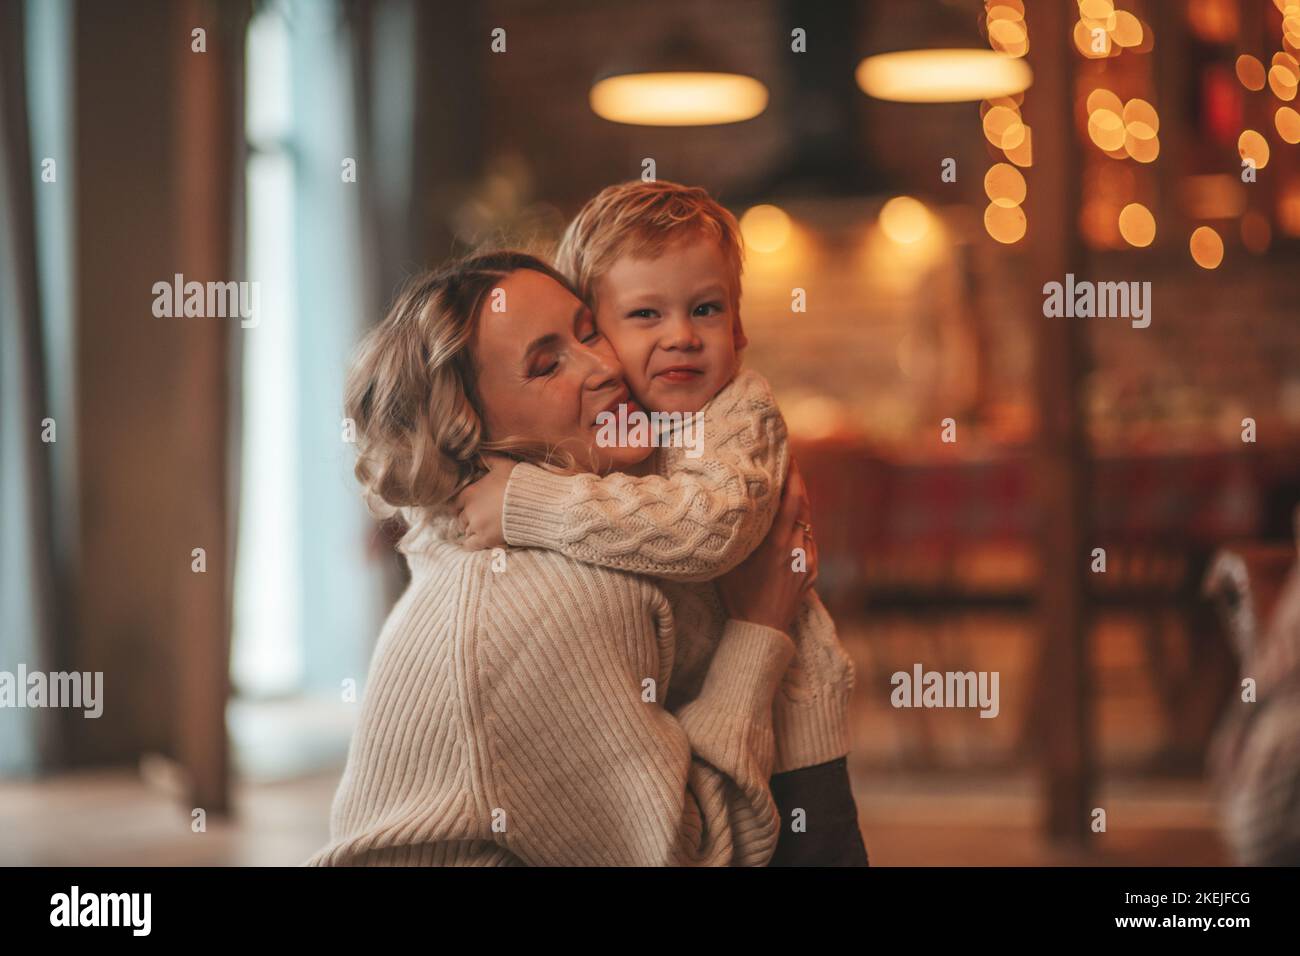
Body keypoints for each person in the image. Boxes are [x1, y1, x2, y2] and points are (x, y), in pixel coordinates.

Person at [306, 251, 816, 866]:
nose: (606, 366)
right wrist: (758, 630)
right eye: (547, 366)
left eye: (588, 330)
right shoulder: (557, 594)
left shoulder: (498, 544)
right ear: (468, 430)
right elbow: (696, 856)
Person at [454, 181, 867, 865]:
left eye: (706, 309)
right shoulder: (613, 421)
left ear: (737, 328)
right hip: (682, 725)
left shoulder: (739, 412)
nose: (682, 336)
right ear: (599, 337)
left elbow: (707, 532)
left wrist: (528, 504)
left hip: (792, 737)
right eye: (646, 314)